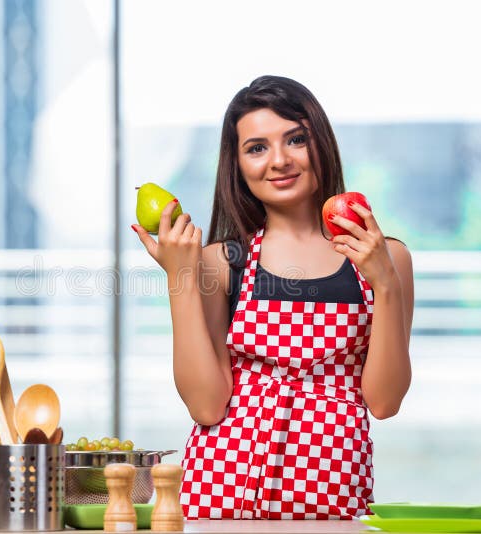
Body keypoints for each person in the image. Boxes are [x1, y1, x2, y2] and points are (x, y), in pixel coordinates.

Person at [131, 75, 413, 520]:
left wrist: (386, 285)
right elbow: (206, 406)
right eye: (257, 148)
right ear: (238, 165)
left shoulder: (385, 257)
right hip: (221, 493)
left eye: (296, 139)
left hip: (334, 497)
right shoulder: (221, 262)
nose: (279, 161)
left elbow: (384, 402)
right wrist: (180, 276)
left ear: (321, 143)